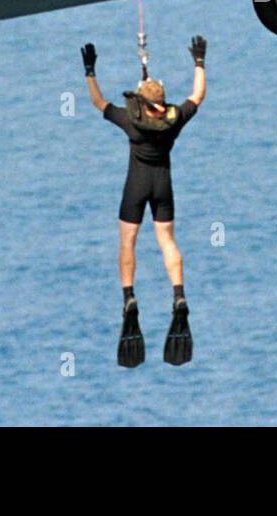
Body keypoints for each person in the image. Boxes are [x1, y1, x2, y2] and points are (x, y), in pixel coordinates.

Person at [82, 35, 207, 367]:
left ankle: (129, 297)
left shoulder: (131, 121)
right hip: (163, 185)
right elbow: (198, 95)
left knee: (128, 242)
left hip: (136, 187)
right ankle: (178, 295)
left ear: (143, 102)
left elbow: (99, 103)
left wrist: (90, 71)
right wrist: (199, 62)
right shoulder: (174, 119)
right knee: (167, 240)